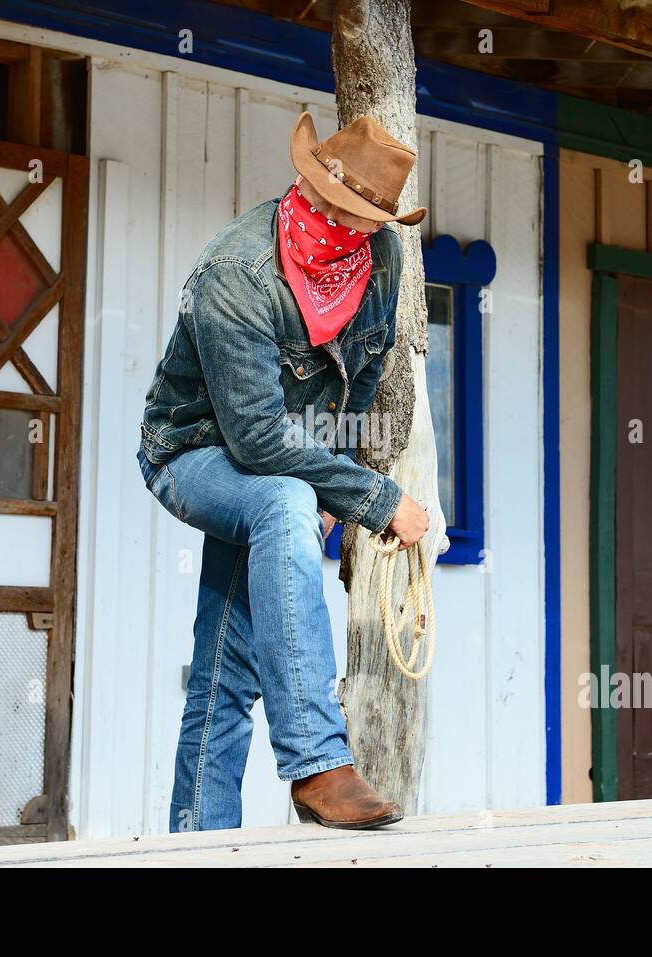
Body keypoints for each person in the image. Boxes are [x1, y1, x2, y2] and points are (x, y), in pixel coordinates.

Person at [135, 109, 431, 832]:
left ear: (376, 223)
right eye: (327, 196)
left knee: (225, 661)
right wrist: (371, 497)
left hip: (285, 469)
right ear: (308, 176)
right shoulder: (234, 273)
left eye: (356, 214)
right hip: (192, 449)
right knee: (283, 502)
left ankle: (199, 836)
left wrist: (328, 480)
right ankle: (318, 761)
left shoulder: (383, 263)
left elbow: (358, 380)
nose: (334, 217)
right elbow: (259, 440)